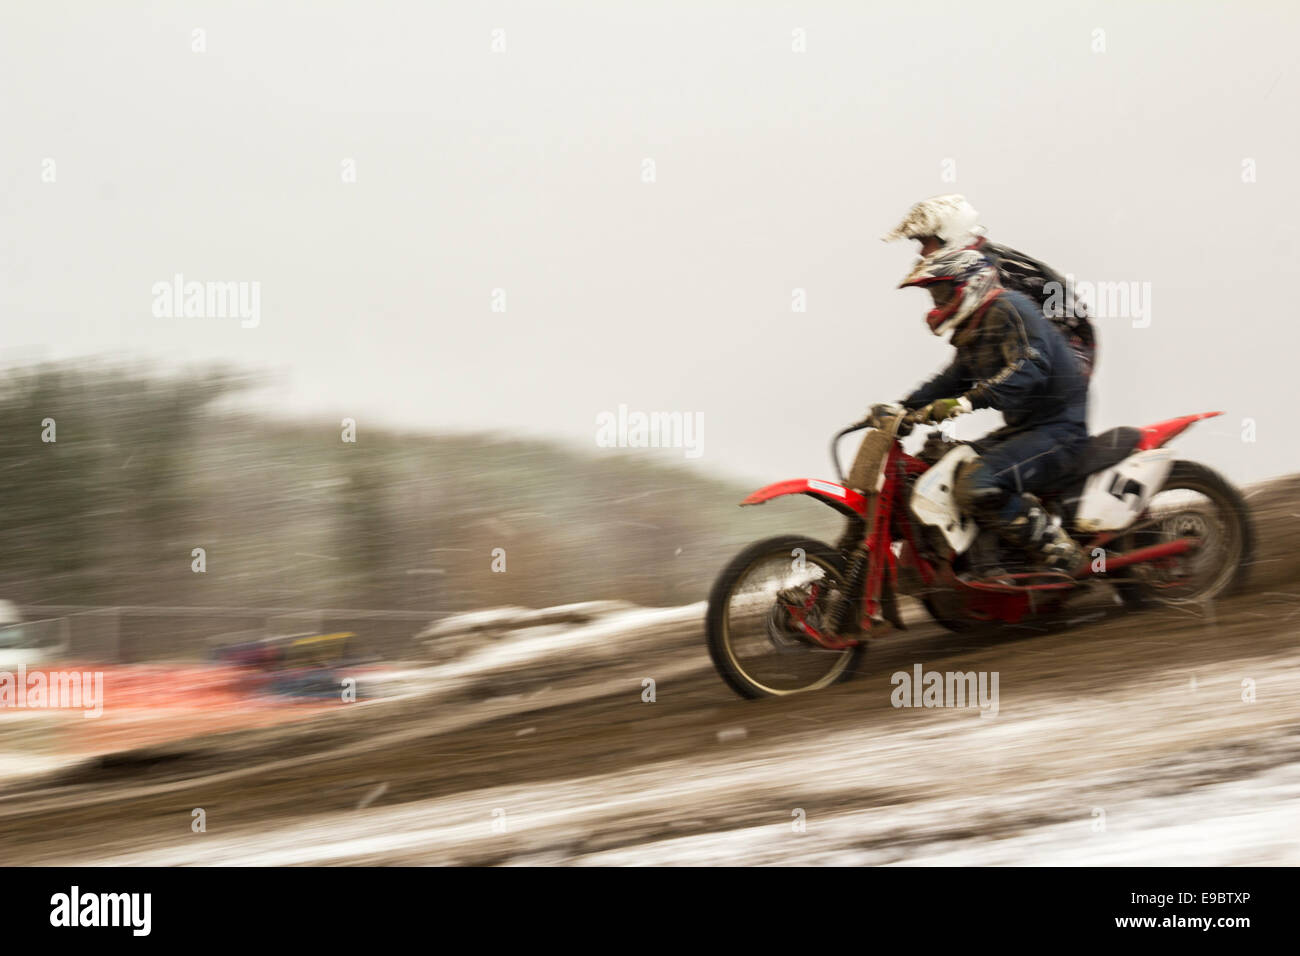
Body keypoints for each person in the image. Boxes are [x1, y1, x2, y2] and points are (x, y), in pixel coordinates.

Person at [883, 196, 1089, 572]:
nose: (919, 249)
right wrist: (904, 407)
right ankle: (987, 557)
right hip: (1028, 416)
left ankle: (1062, 553)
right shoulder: (979, 313)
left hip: (1057, 416)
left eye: (940, 291)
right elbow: (957, 375)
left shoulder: (1006, 299)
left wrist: (967, 402)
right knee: (940, 463)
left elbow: (1030, 365)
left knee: (980, 485)